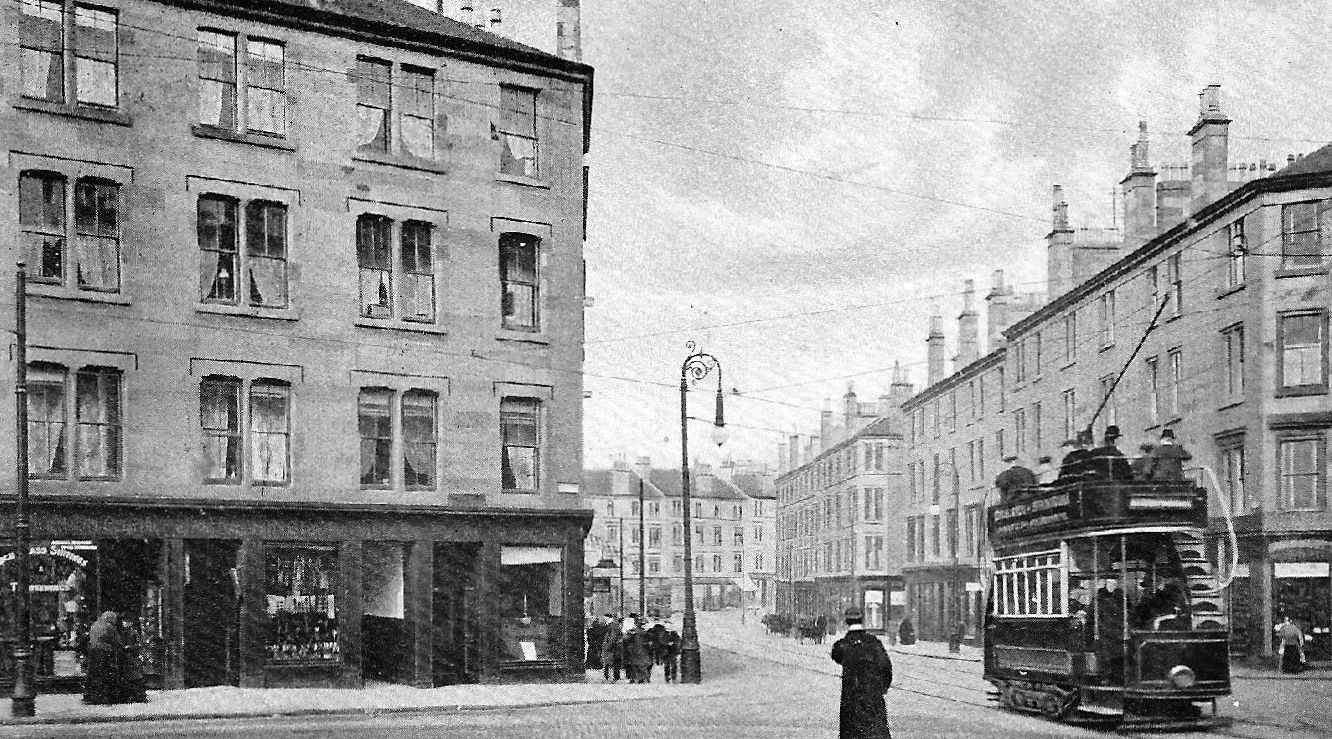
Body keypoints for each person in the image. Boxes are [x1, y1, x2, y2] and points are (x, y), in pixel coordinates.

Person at [830, 607, 894, 739]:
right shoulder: (873, 643)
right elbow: (886, 667)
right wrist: (881, 688)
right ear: (862, 619)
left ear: (847, 621)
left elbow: (836, 654)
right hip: (873, 698)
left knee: (852, 733)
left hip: (851, 700)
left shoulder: (844, 645)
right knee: (876, 732)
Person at [83, 611, 123, 704]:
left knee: (93, 674)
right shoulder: (109, 626)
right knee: (105, 675)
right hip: (105, 653)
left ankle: (90, 696)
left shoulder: (95, 625)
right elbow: (117, 641)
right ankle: (104, 697)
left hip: (93, 652)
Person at [621, 617, 653, 683]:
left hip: (635, 651)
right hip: (638, 651)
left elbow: (625, 639)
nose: (647, 626)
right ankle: (640, 679)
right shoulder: (640, 632)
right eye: (646, 624)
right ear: (642, 624)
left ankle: (635, 679)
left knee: (635, 665)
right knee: (640, 665)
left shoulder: (635, 631)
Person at [600, 616, 623, 682]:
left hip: (612, 648)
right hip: (615, 648)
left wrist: (607, 647)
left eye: (605, 617)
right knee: (613, 662)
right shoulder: (613, 625)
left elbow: (612, 638)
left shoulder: (612, 626)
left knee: (610, 662)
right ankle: (614, 677)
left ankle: (611, 677)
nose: (604, 619)